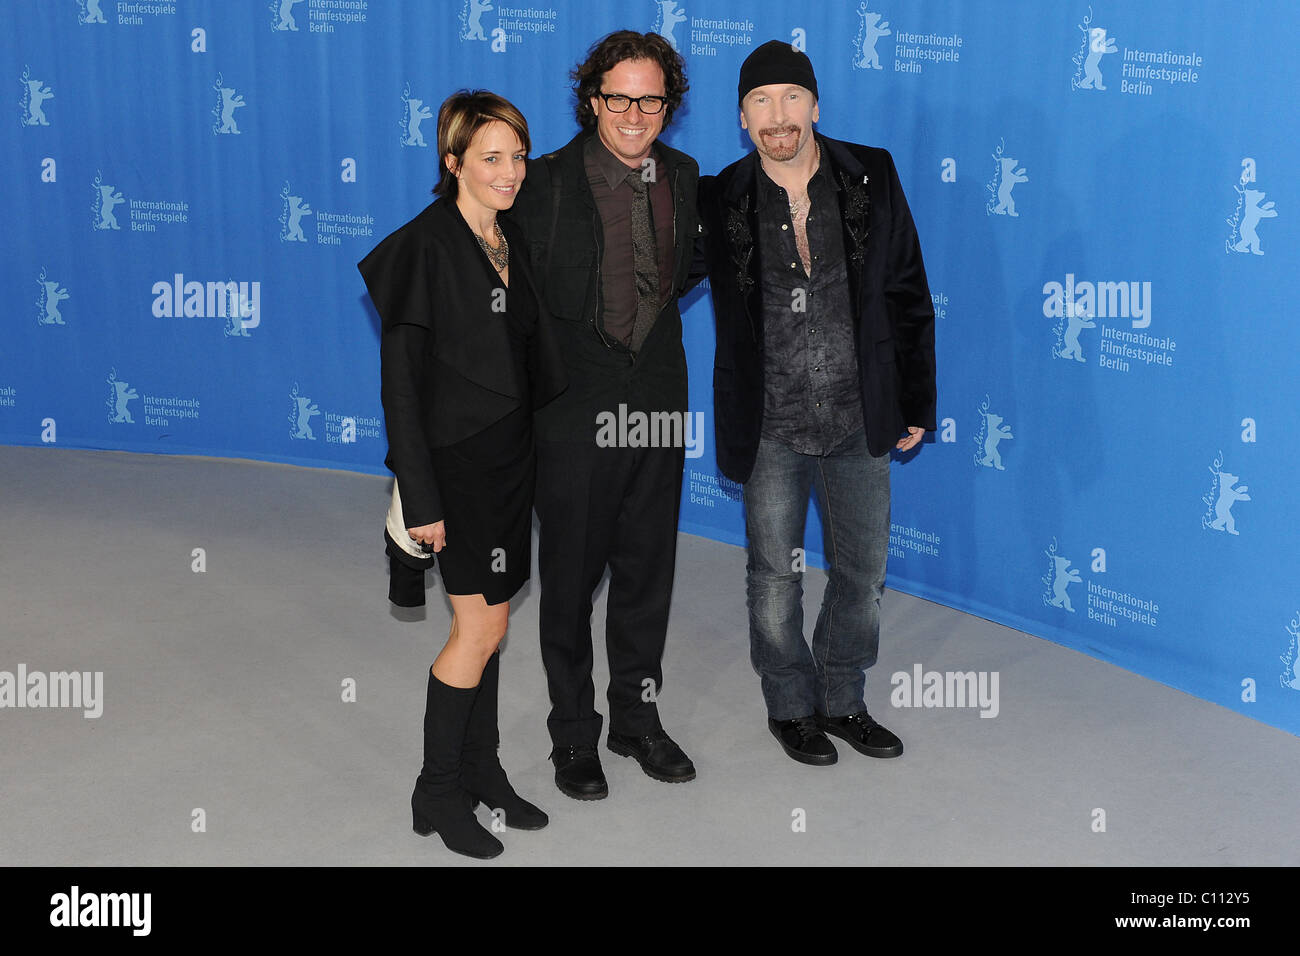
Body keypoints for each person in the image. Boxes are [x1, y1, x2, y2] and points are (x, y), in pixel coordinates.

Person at [695, 41, 937, 766]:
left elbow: (908, 291)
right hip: (770, 423)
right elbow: (658, 279)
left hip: (860, 416)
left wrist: (917, 399)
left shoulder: (872, 174)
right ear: (743, 118)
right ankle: (791, 707)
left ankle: (842, 697)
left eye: (791, 98)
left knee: (862, 573)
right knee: (775, 576)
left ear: (816, 106)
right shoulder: (721, 197)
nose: (779, 115)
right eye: (762, 102)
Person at [358, 90, 566, 859]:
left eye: (518, 156)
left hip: (510, 463)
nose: (510, 172)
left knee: (494, 624)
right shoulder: (421, 249)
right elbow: (401, 388)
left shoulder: (507, 240)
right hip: (455, 471)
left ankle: (483, 771)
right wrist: (420, 498)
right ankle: (436, 791)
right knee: (475, 628)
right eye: (490, 158)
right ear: (452, 162)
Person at [505, 31, 701, 799]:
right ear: (593, 101)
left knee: (648, 573)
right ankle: (572, 735)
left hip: (656, 403)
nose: (633, 113)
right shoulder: (543, 182)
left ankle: (636, 721)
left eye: (650, 98)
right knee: (570, 578)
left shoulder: (684, 177)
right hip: (573, 409)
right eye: (618, 97)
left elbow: (690, 274)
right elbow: (499, 290)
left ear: (668, 107)